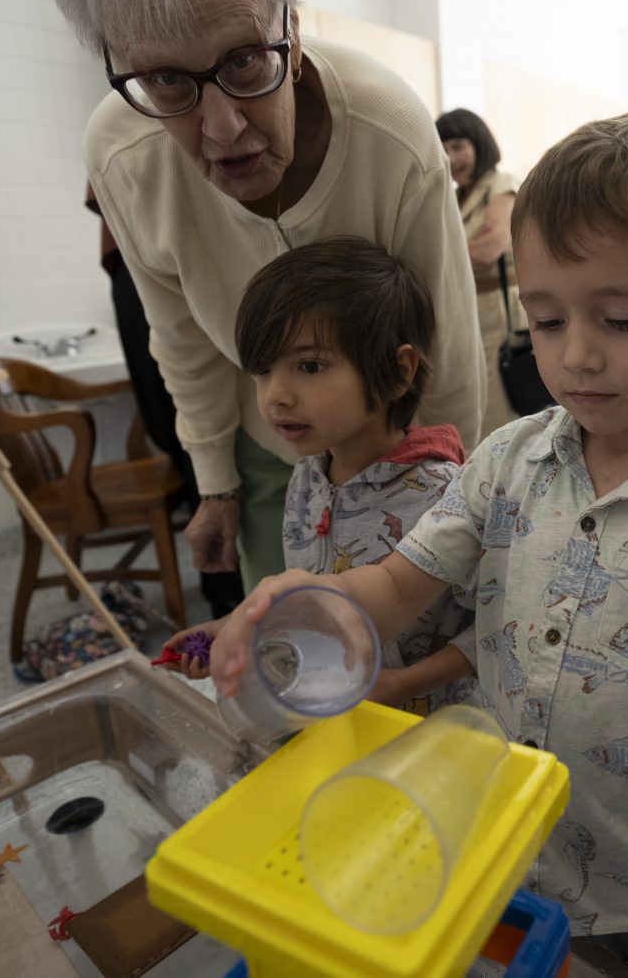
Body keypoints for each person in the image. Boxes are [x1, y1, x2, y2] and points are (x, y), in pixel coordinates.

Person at [212, 112, 628, 977]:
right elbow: (395, 586)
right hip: (501, 853)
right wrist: (293, 596)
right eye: (545, 320)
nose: (577, 354)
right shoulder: (505, 460)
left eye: (619, 319)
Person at [45, 0, 484, 592]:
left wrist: (461, 502)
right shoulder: (123, 156)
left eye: (246, 60)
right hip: (269, 448)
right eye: (165, 80)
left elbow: (445, 349)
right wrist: (215, 482)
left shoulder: (388, 130)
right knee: (290, 642)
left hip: (401, 448)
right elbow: (182, 337)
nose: (222, 128)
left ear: (293, 30)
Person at [157, 237, 476, 713]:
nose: (275, 396)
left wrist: (404, 683)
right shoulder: (307, 478)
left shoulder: (445, 494)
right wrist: (227, 628)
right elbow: (309, 596)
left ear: (396, 371)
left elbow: (498, 625)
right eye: (263, 370)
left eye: (310, 366)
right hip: (348, 716)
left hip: (440, 732)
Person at [86, 184, 246, 620]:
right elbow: (184, 365)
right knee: (187, 433)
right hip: (147, 260)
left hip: (160, 254)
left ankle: (229, 590)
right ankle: (227, 591)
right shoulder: (123, 150)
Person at [437, 108, 522, 435]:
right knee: (475, 404)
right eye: (443, 148)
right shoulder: (455, 198)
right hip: (468, 309)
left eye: (458, 146)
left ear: (480, 143)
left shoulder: (501, 183)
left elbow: (490, 248)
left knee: (498, 409)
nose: (451, 157)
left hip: (499, 311)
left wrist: (436, 257)